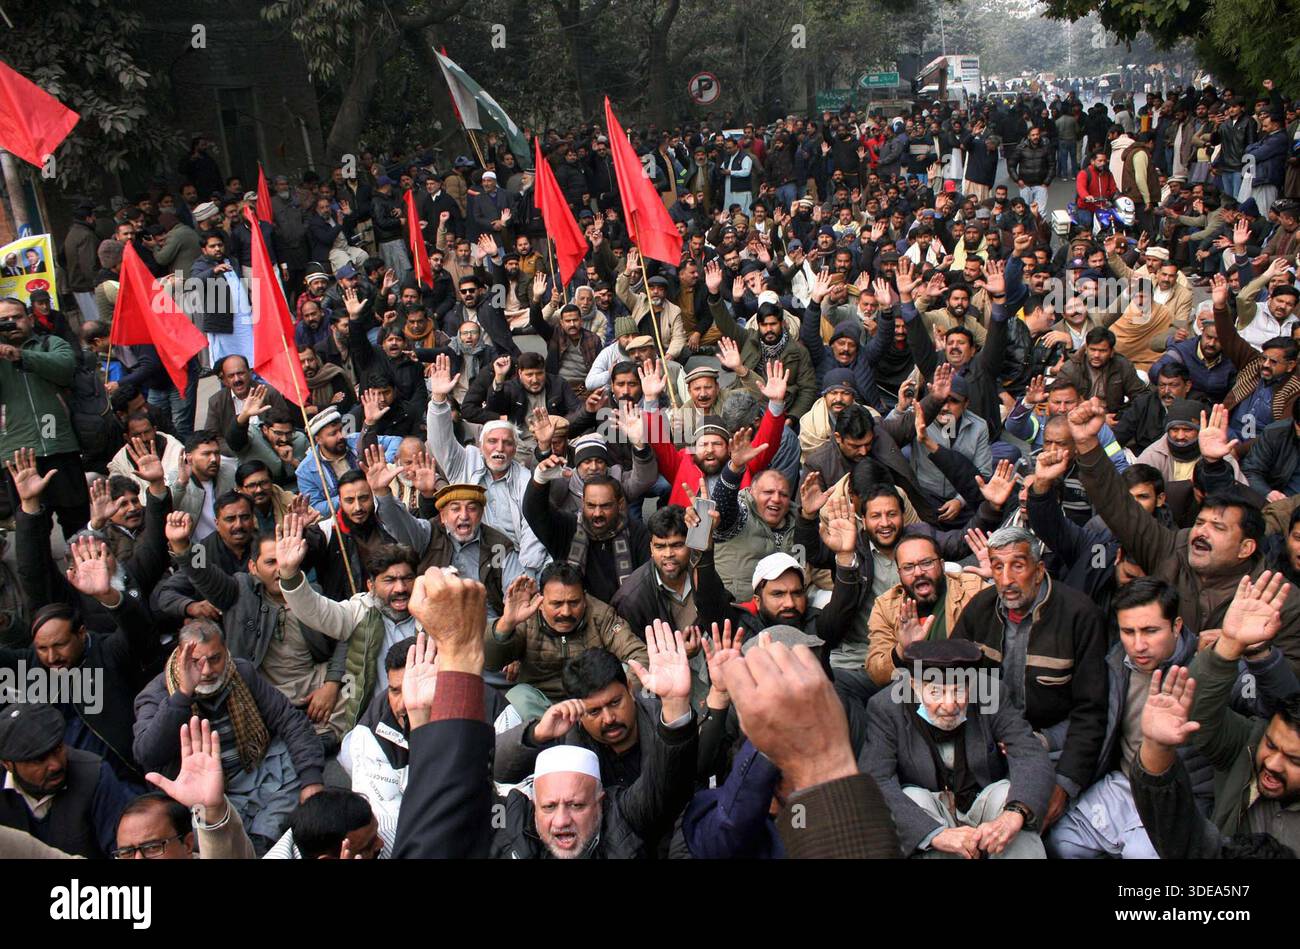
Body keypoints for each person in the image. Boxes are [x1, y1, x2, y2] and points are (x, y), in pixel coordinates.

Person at [950, 526, 1108, 829]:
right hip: (990, 745)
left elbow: (1091, 712)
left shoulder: (1080, 615)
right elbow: (952, 681)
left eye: (1017, 566)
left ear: (1038, 570)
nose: (1006, 579)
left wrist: (1065, 784)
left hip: (1054, 748)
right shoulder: (979, 610)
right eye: (998, 566)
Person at [1132, 573, 1300, 856]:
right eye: (1271, 745)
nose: (1271, 762)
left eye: (1294, 759)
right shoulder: (1248, 744)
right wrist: (1231, 645)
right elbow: (1199, 713)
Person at [131, 619, 325, 854]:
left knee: (295, 764)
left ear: (226, 651)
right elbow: (147, 753)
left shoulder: (241, 672)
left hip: (253, 772)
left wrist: (312, 780)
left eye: (215, 659)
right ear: (181, 657)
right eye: (195, 662)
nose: (207, 671)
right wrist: (183, 696)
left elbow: (289, 719)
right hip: (201, 793)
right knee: (201, 835)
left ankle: (262, 838)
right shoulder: (154, 694)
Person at [166, 511, 351, 750]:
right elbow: (204, 573)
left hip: (312, 681)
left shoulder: (312, 593)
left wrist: (332, 685)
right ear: (253, 567)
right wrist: (183, 545)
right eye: (270, 562)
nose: (279, 568)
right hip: (264, 690)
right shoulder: (238, 591)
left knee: (354, 681)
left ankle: (324, 735)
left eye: (283, 559)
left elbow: (344, 635)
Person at [865, 639, 1053, 859]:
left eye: (958, 691)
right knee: (913, 798)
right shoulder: (886, 707)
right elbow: (875, 778)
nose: (950, 705)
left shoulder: (992, 693)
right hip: (931, 814)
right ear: (914, 686)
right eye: (935, 693)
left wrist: (1014, 813)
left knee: (1009, 797)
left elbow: (1029, 753)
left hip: (982, 807)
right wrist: (935, 834)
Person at [425, 354, 548, 574]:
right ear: (481, 446)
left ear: (514, 449)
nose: (499, 448)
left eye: (507, 443)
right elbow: (440, 440)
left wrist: (525, 570)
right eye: (492, 441)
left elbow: (532, 528)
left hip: (513, 557)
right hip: (468, 554)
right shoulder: (464, 463)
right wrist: (438, 400)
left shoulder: (523, 478)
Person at [485, 562, 649, 715]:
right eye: (557, 604)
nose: (566, 612)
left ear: (584, 598)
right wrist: (506, 624)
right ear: (541, 601)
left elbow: (639, 655)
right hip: (543, 704)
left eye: (574, 602)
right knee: (517, 697)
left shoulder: (601, 615)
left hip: (595, 703)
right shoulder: (527, 616)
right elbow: (490, 663)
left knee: (627, 671)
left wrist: (619, 695)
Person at [0, 702, 136, 859]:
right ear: (7, 764)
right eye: (39, 759)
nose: (56, 765)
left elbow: (123, 851)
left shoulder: (93, 775)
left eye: (57, 749)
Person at [0, 297, 89, 536]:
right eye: (4, 321)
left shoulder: (51, 343)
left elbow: (65, 367)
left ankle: (88, 569)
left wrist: (21, 356)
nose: (11, 324)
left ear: (29, 318)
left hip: (61, 446)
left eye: (16, 318)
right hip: (17, 455)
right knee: (32, 528)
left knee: (78, 521)